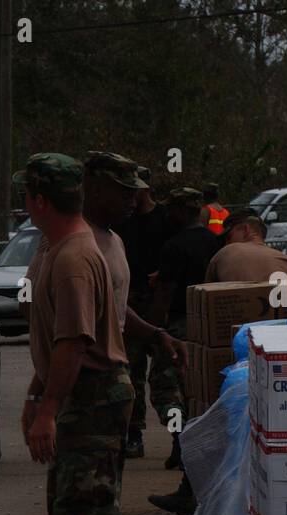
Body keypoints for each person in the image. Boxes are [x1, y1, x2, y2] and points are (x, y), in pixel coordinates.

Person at [15, 153, 132, 515]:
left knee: (86, 511)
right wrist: (36, 393)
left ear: (39, 200)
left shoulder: (73, 258)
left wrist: (49, 406)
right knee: (67, 506)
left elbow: (75, 343)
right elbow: (54, 337)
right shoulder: (52, 247)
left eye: (27, 194)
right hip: (75, 393)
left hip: (94, 395)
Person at [83, 152, 189, 463]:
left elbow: (118, 304)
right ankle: (133, 435)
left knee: (164, 384)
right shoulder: (93, 235)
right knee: (131, 378)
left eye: (135, 190)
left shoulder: (144, 227)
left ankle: (173, 439)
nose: (131, 198)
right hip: (122, 314)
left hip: (153, 310)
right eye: (124, 191)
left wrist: (157, 328)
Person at [145, 187, 219, 515]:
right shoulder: (214, 242)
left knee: (163, 388)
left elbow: (165, 292)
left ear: (179, 212)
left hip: (176, 327)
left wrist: (154, 331)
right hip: (207, 328)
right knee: (199, 396)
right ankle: (195, 469)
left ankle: (180, 439)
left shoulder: (173, 246)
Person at [112, 164, 171, 458]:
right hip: (132, 301)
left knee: (165, 375)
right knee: (131, 371)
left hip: (159, 301)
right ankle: (134, 433)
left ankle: (178, 438)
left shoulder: (163, 218)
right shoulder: (124, 220)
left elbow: (174, 254)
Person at [206, 210, 287, 283]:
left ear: (246, 229)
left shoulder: (225, 253)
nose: (226, 243)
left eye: (229, 237)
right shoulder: (286, 260)